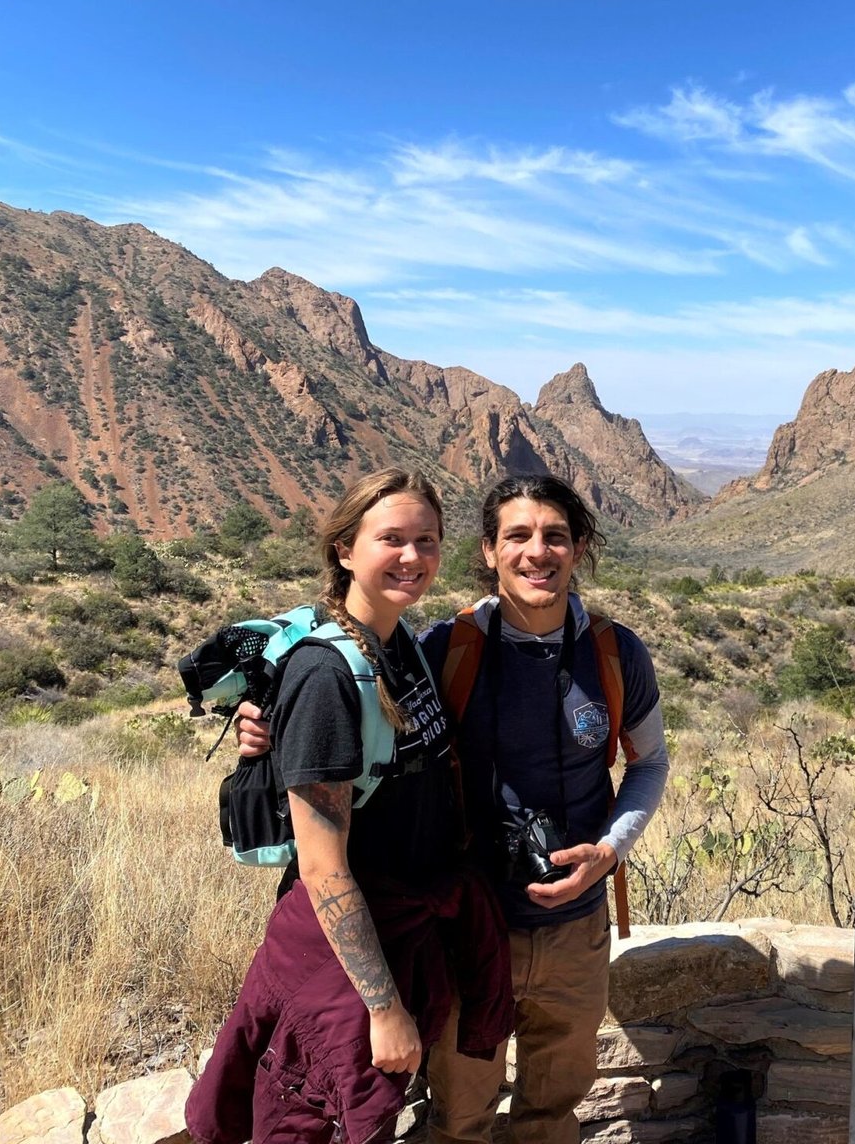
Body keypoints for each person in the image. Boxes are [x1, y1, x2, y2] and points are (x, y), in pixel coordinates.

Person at [238, 474, 668, 1144]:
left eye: (555, 536)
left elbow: (649, 764)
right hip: (472, 928)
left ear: (579, 547)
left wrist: (612, 850)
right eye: (517, 536)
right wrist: (267, 713)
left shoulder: (616, 654)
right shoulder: (445, 650)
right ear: (489, 552)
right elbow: (342, 690)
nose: (538, 552)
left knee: (552, 1114)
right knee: (460, 1116)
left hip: (579, 933)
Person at [187, 469, 513, 1144]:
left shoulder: (399, 646)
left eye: (426, 540)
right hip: (341, 963)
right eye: (391, 538)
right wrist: (384, 1007)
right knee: (312, 1123)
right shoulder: (326, 675)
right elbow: (324, 866)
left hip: (401, 930)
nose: (413, 557)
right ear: (344, 550)